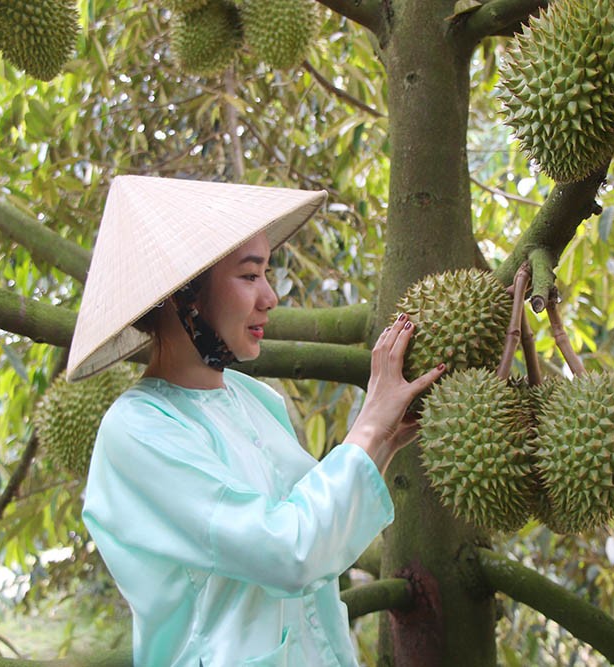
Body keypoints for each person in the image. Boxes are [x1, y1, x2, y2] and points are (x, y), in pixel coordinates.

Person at [65, 176, 445, 666]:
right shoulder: (137, 433)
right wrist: (369, 425)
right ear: (186, 295)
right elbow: (289, 551)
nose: (270, 296)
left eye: (267, 273)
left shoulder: (256, 399)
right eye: (249, 276)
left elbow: (322, 533)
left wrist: (386, 439)